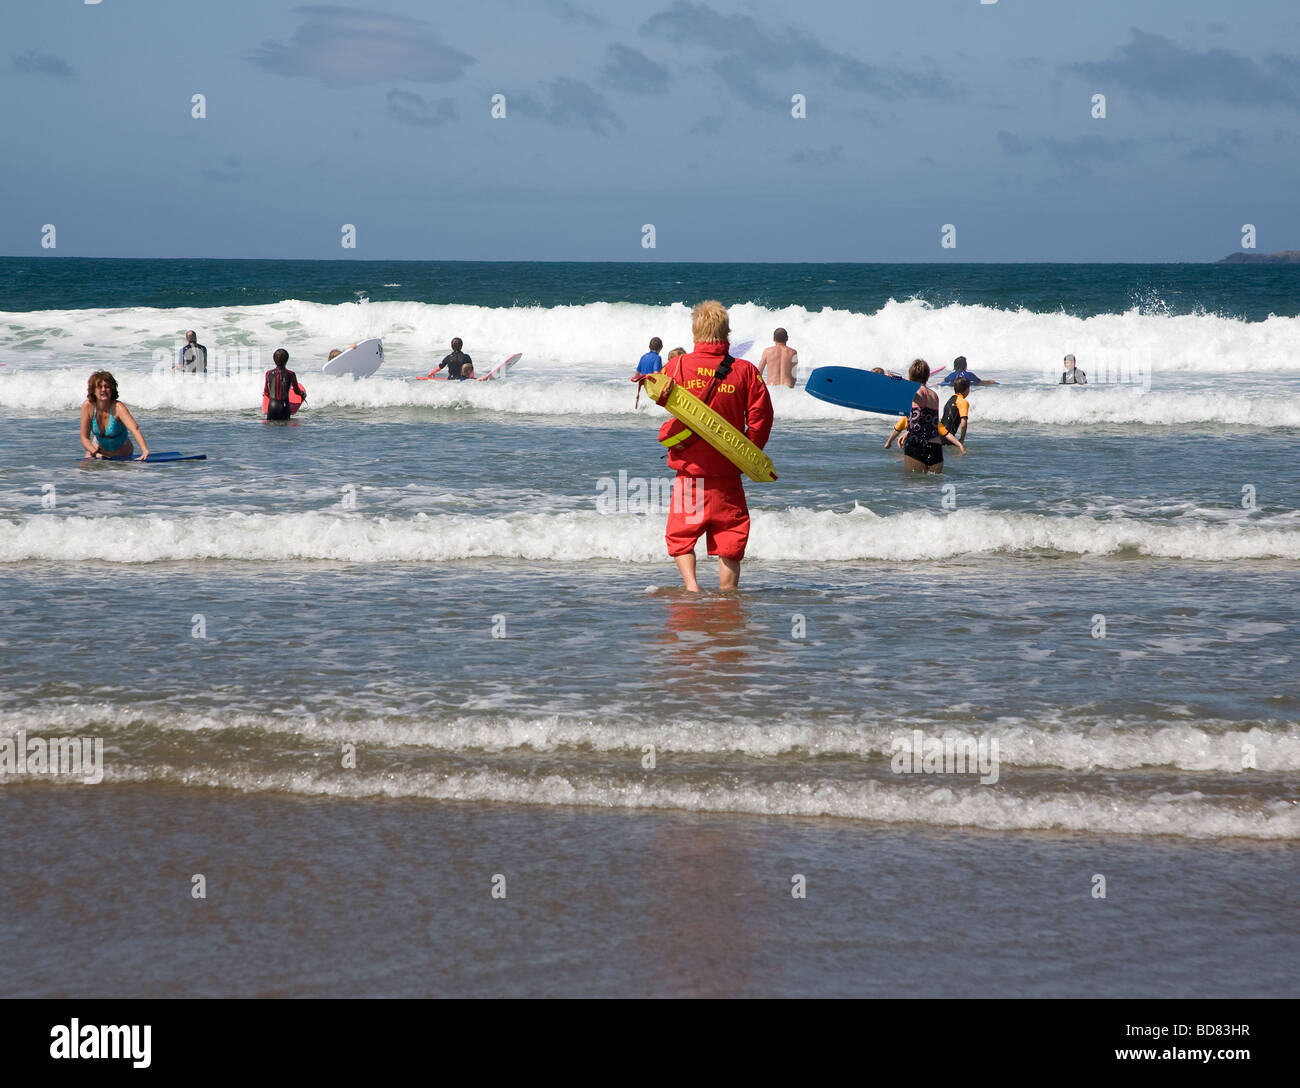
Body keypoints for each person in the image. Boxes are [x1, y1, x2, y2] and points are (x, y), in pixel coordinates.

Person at [639, 300, 773, 593]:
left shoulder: (679, 365)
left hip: (690, 476)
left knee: (681, 536)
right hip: (728, 477)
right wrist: (748, 453)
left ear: (695, 332)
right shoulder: (746, 371)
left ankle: (692, 588)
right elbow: (762, 417)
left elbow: (661, 393)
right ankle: (728, 596)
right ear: (727, 333)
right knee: (730, 541)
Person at [884, 359, 964, 472]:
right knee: (933, 486)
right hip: (935, 447)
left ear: (911, 375)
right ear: (927, 375)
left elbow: (893, 394)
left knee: (912, 484)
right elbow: (927, 421)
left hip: (916, 444)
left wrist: (892, 381)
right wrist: (907, 432)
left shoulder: (914, 392)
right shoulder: (934, 395)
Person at [80, 371, 149, 460]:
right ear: (93, 390)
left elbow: (134, 429)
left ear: (112, 390)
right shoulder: (88, 406)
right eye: (99, 387)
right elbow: (84, 438)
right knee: (85, 469)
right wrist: (95, 453)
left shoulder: (118, 408)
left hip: (121, 454)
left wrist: (144, 450)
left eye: (107, 387)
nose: (103, 389)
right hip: (98, 451)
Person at [264, 348, 307, 421]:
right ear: (287, 360)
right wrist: (303, 394)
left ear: (274, 360)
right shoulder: (291, 374)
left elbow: (266, 392)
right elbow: (297, 391)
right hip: (284, 409)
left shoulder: (268, 373)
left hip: (271, 409)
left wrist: (266, 394)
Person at [941, 376, 971, 447]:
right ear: (967, 389)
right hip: (948, 438)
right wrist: (962, 439)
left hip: (939, 435)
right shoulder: (963, 402)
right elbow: (963, 424)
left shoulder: (950, 400)